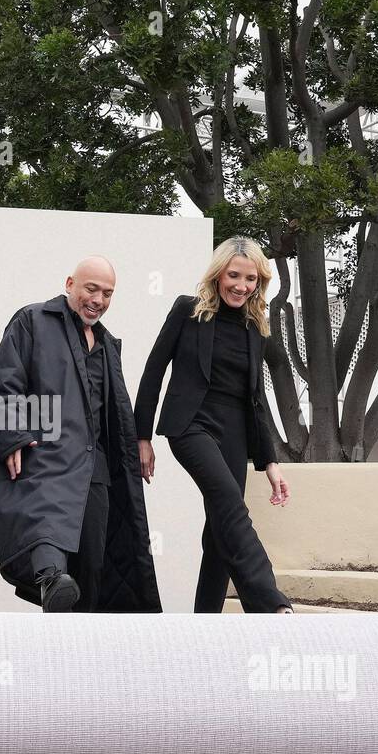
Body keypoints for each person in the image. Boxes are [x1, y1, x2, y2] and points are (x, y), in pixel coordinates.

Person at [0, 256, 160, 612]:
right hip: (44, 453)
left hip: (94, 464)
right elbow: (4, 383)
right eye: (91, 289)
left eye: (107, 293)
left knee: (93, 562)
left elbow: (118, 411)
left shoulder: (108, 344)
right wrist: (11, 436)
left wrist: (139, 443)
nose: (98, 299)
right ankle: (51, 579)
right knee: (47, 530)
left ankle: (81, 645)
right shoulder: (32, 320)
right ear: (69, 285)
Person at [134, 236, 293, 613]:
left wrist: (269, 462)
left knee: (220, 528)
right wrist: (141, 437)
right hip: (191, 426)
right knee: (230, 505)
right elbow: (154, 371)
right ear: (218, 274)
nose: (241, 285)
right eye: (234, 275)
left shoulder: (256, 327)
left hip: (235, 432)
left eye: (251, 278)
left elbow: (257, 398)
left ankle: (205, 621)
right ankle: (271, 602)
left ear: (259, 282)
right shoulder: (188, 311)